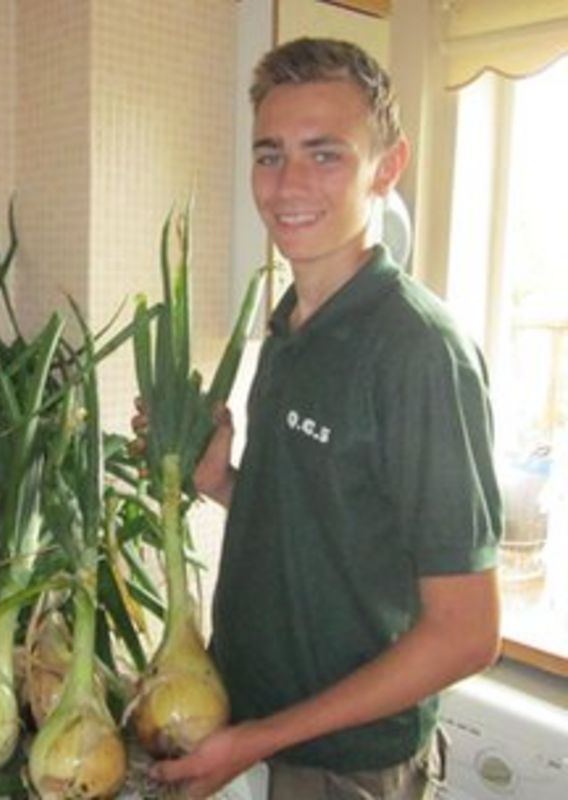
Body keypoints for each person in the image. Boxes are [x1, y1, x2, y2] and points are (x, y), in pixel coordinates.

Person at [147, 37, 502, 800]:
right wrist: (222, 481)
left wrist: (261, 740)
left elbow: (467, 633)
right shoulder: (290, 328)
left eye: (325, 154)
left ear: (388, 166)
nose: (288, 185)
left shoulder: (417, 353)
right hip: (247, 723)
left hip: (343, 762)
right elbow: (337, 527)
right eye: (270, 155)